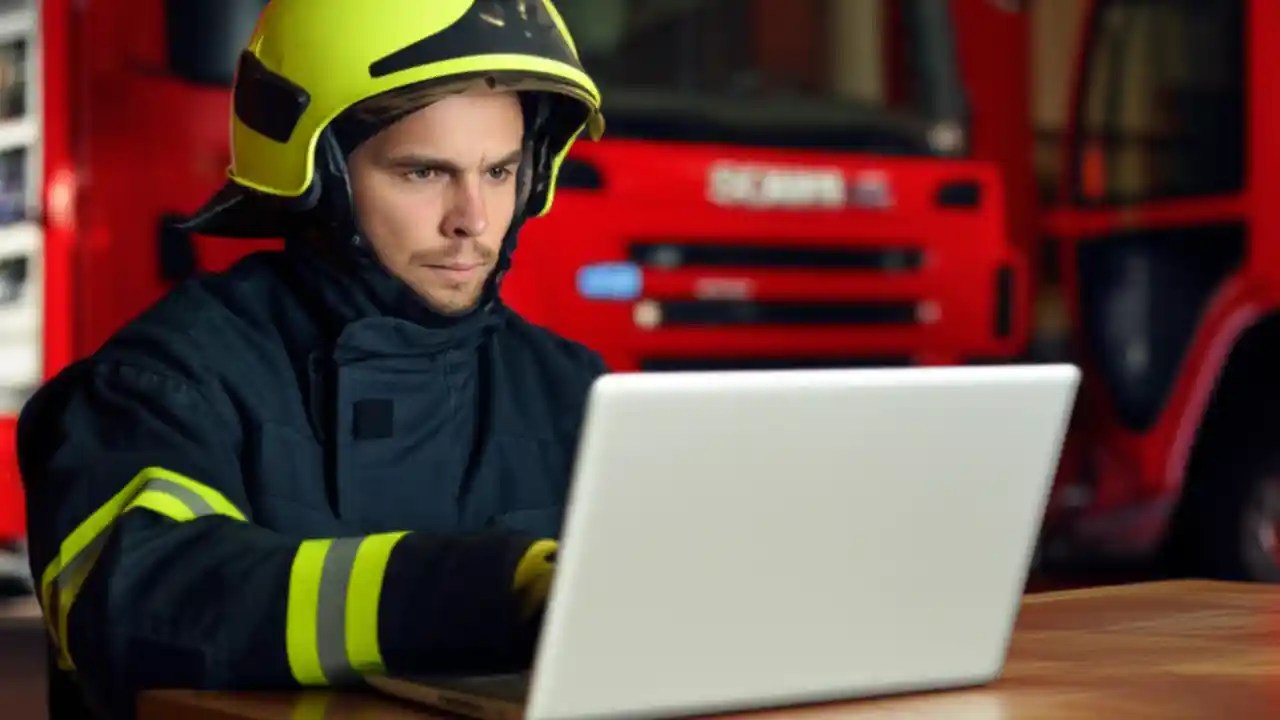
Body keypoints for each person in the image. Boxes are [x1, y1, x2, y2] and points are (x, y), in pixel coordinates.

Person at [16, 1, 608, 717]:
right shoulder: (162, 383)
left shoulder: (574, 392)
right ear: (320, 174)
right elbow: (136, 598)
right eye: (424, 174)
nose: (473, 221)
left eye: (500, 171)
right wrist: (480, 588)